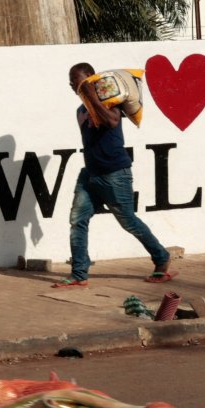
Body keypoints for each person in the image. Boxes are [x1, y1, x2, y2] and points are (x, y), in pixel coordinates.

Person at [55, 62, 174, 288]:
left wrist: (92, 96)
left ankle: (161, 257)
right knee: (77, 220)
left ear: (90, 78)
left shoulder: (112, 103)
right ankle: (79, 273)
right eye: (71, 82)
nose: (74, 86)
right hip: (89, 173)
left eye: (77, 81)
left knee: (128, 221)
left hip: (115, 173)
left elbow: (111, 122)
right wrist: (87, 101)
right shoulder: (80, 111)